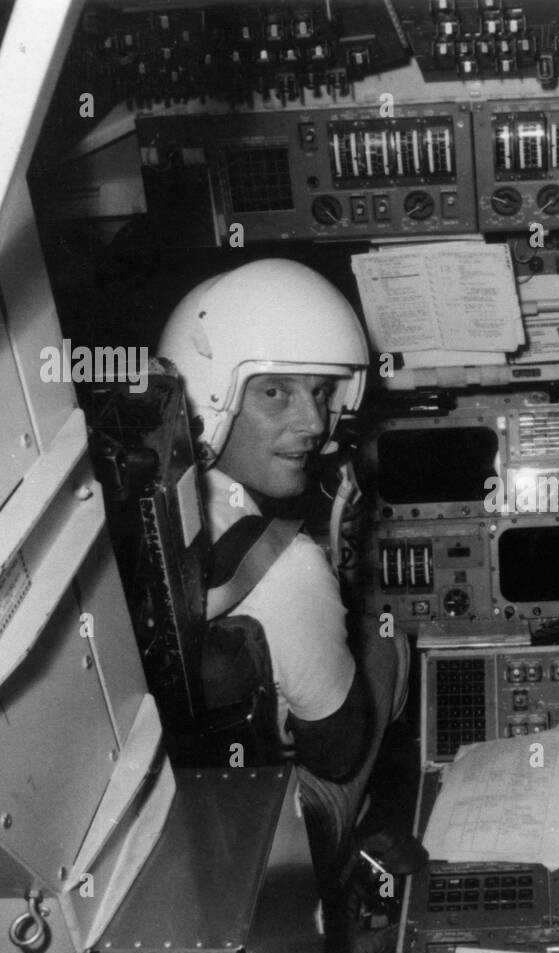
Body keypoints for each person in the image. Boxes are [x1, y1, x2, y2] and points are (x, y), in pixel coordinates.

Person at [157, 257, 422, 887]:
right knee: (385, 644)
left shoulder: (154, 506)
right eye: (276, 392)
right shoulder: (287, 565)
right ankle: (353, 842)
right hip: (255, 836)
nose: (312, 423)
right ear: (209, 395)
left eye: (321, 392)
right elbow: (337, 751)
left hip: (181, 808)